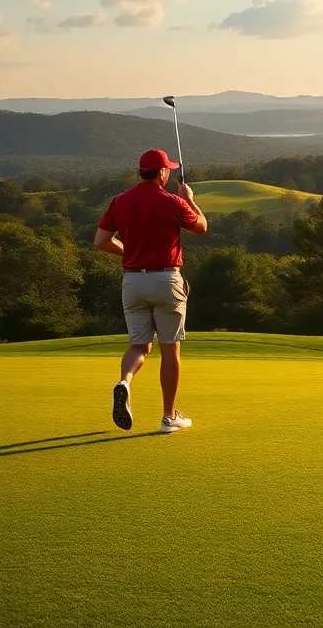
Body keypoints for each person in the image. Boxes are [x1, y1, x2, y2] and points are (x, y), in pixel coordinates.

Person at [95, 149, 208, 434]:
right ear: (161, 173)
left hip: (132, 282)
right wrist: (190, 201)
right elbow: (202, 228)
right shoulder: (171, 202)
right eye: (167, 169)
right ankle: (169, 417)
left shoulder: (119, 201)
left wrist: (127, 252)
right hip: (166, 280)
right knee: (170, 349)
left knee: (139, 345)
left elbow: (100, 241)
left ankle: (125, 382)